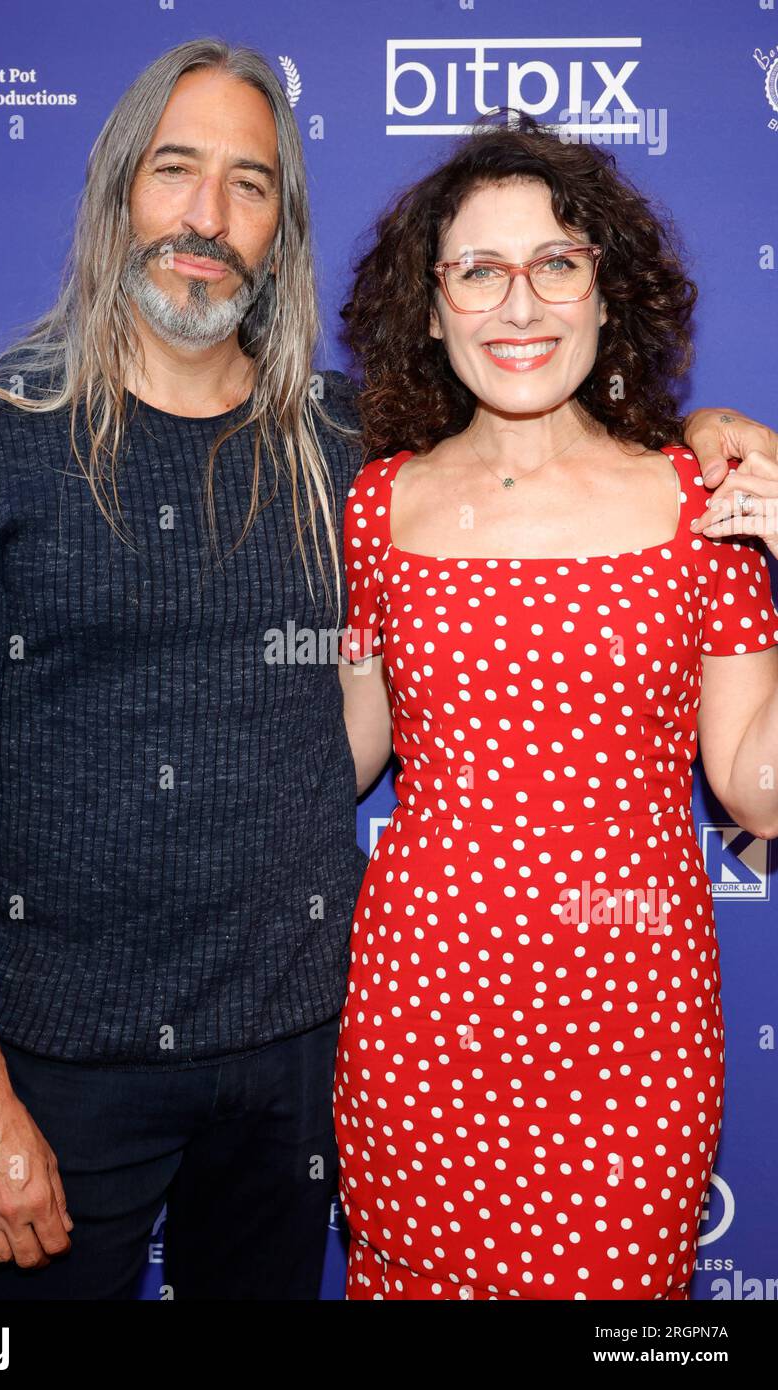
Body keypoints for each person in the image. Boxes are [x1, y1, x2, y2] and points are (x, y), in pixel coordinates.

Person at [0, 44, 772, 1301]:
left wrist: (704, 441)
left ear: (280, 226)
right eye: (175, 170)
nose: (205, 214)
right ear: (115, 186)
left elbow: (547, 444)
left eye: (248, 184)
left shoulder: (336, 441)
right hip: (72, 1063)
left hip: (302, 1051)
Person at [334, 111, 778, 1301]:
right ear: (429, 309)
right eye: (477, 270)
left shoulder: (704, 499)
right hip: (420, 1023)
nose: (516, 306)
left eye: (554, 265)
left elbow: (752, 783)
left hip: (633, 1029)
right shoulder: (375, 508)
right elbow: (340, 755)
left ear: (602, 291)